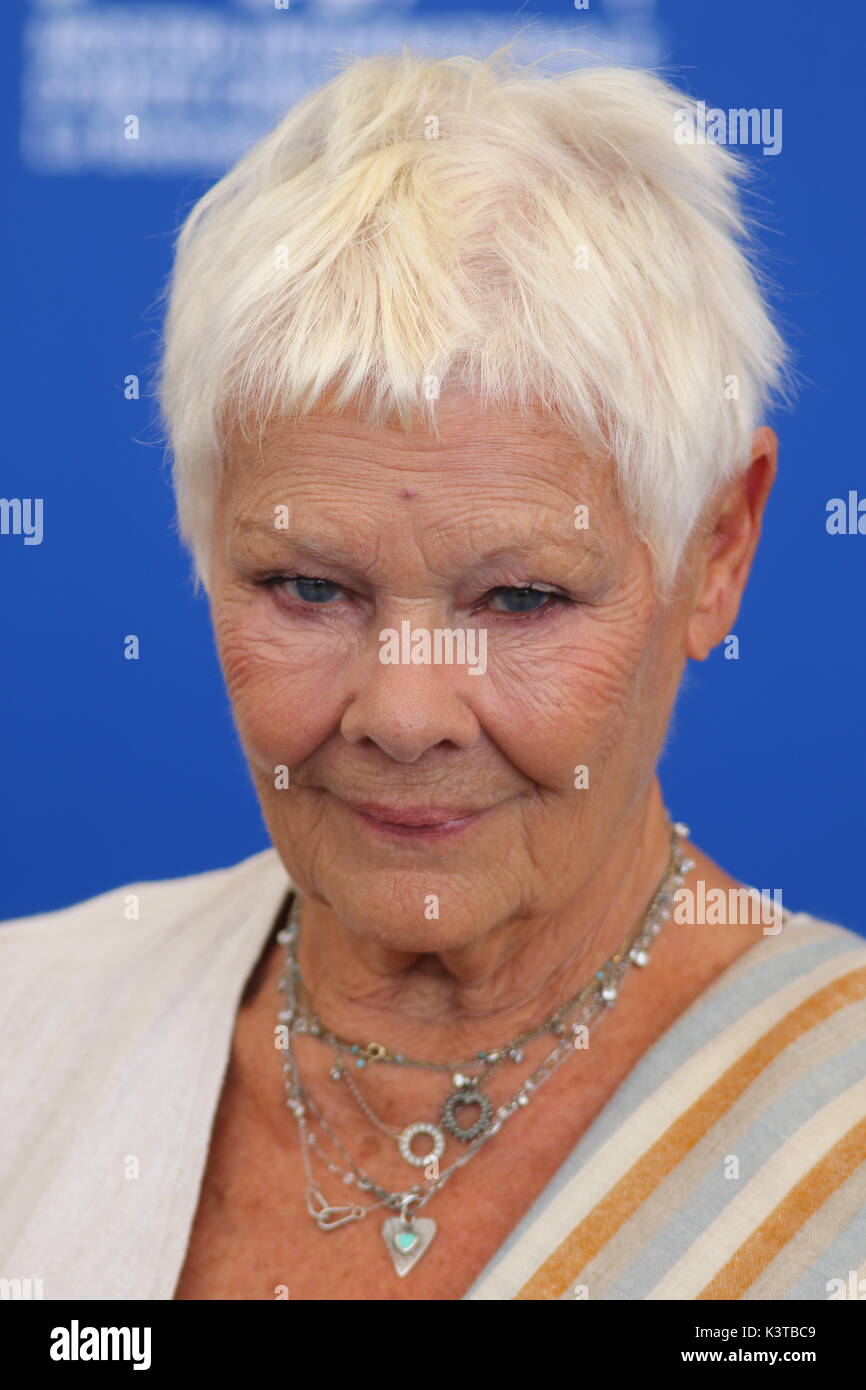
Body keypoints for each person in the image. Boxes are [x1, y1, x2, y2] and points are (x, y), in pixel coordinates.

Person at [2, 47, 864, 1302]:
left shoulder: (832, 1125)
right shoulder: (27, 1026)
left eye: (520, 598)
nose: (403, 715)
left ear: (715, 549)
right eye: (307, 587)